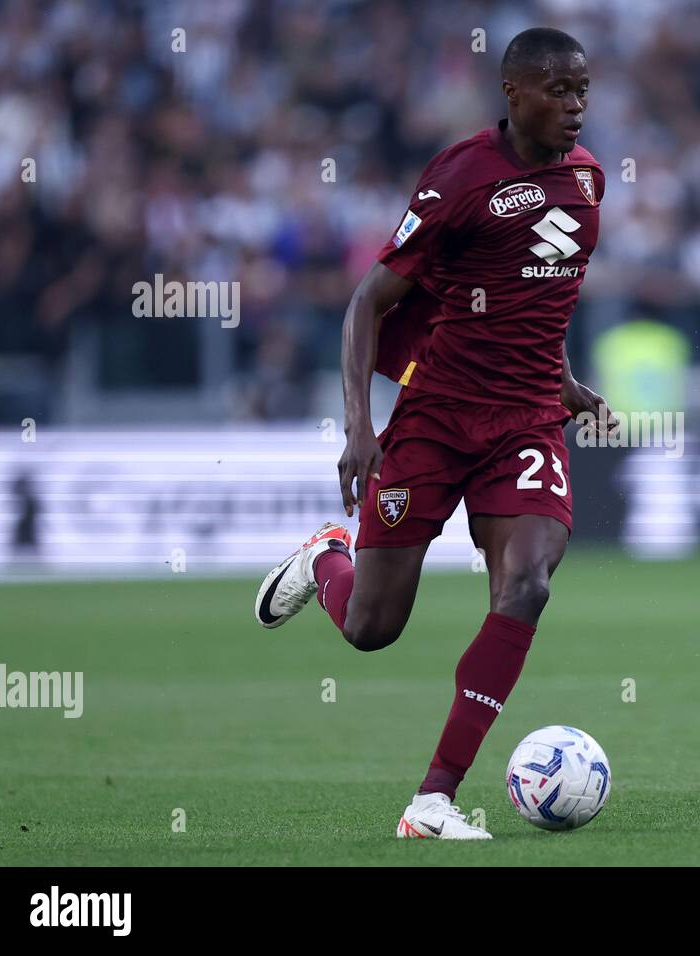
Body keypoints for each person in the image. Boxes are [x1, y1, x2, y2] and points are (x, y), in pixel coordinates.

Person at [253, 27, 615, 840]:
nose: (575, 105)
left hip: (524, 422)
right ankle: (328, 556)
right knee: (372, 630)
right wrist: (359, 426)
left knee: (527, 586)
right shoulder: (460, 178)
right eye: (558, 89)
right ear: (513, 93)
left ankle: (432, 799)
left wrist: (567, 388)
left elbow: (535, 297)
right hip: (437, 417)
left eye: (583, 89)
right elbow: (366, 304)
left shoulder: (590, 182)